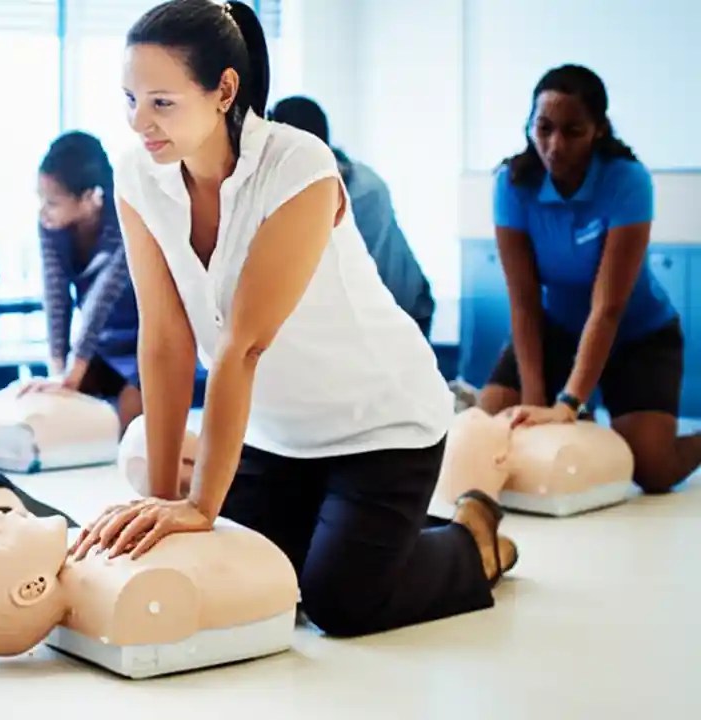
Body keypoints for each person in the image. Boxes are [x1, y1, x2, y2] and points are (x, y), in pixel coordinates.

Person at [69, 0, 515, 638]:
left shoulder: (297, 163)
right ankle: (369, 533)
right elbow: (165, 339)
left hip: (380, 424)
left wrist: (199, 508)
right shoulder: (139, 175)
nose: (140, 121)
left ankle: (472, 536)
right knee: (270, 581)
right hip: (278, 434)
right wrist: (163, 501)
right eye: (130, 99)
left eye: (162, 102)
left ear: (224, 90)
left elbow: (242, 346)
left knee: (339, 604)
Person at [477, 64, 700, 494]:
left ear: (598, 130)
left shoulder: (627, 180)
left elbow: (608, 306)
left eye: (572, 130)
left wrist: (566, 404)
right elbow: (523, 301)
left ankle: (587, 414)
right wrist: (536, 400)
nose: (554, 146)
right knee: (495, 421)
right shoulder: (513, 182)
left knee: (652, 468)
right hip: (556, 328)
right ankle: (579, 418)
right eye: (543, 128)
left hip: (636, 335)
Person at [268, 96, 435, 337]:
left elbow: (355, 277)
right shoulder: (292, 181)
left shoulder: (363, 191)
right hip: (361, 313)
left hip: (401, 312)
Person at [23, 131, 144, 433]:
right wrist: (57, 370)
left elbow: (101, 298)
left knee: (128, 421)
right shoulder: (52, 226)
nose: (42, 211)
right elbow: (56, 296)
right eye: (40, 199)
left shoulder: (125, 217)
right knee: (69, 414)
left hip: (144, 338)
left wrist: (73, 371)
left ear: (92, 197)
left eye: (52, 202)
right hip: (101, 343)